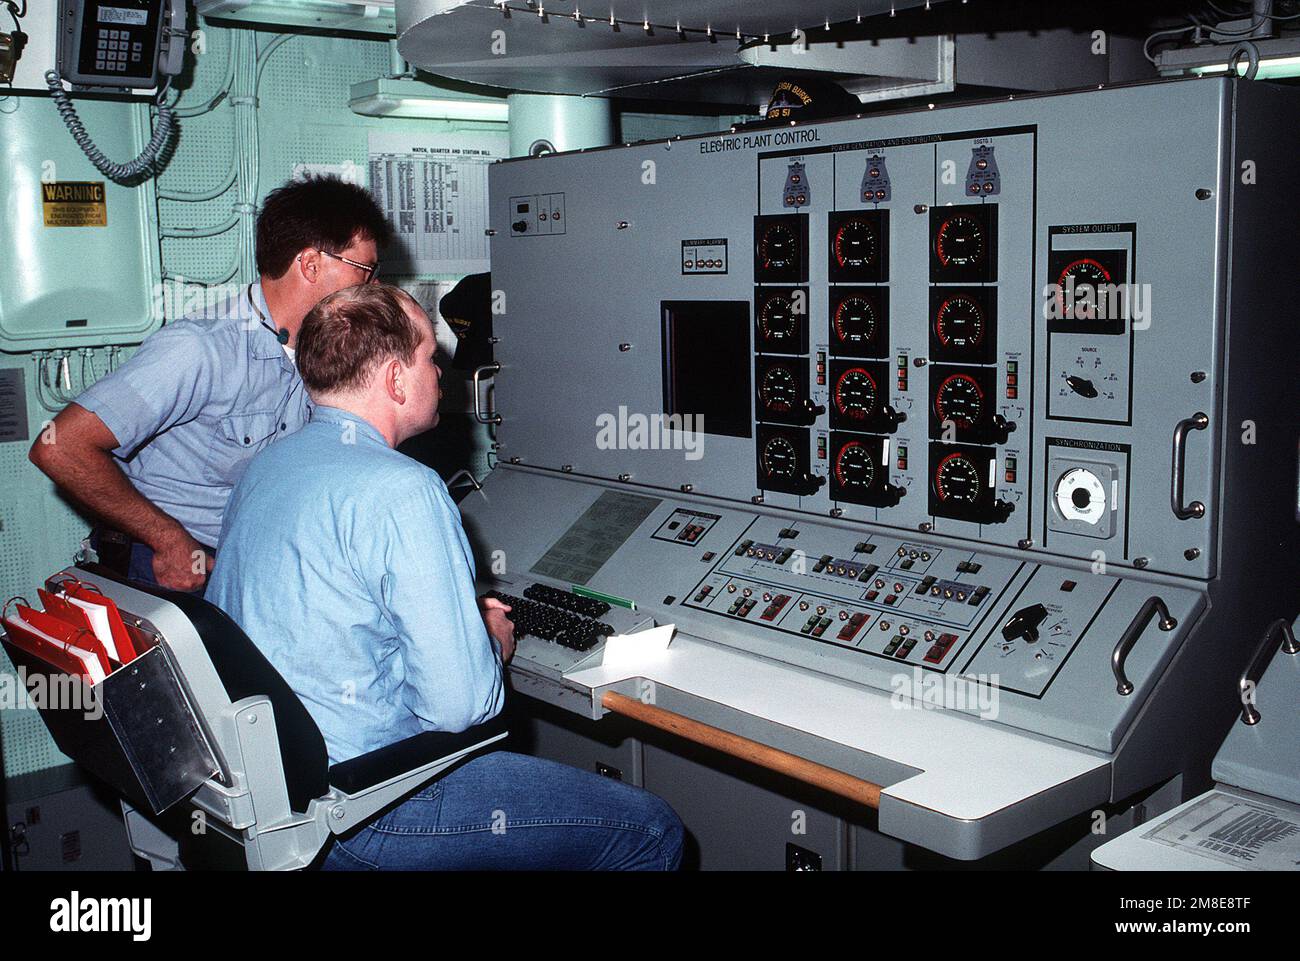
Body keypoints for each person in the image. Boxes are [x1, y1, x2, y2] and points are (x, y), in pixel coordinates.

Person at [205, 283, 683, 870]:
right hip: (365, 808)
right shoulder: (404, 490)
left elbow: (317, 620)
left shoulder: (268, 466)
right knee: (652, 831)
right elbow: (460, 709)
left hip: (265, 801)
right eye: (431, 357)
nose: (442, 373)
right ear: (395, 380)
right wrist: (487, 641)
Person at [28, 175, 393, 592]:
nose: (374, 286)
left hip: (248, 561)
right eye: (365, 270)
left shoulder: (324, 352)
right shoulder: (199, 349)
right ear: (310, 264)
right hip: (166, 567)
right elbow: (59, 446)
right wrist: (166, 538)